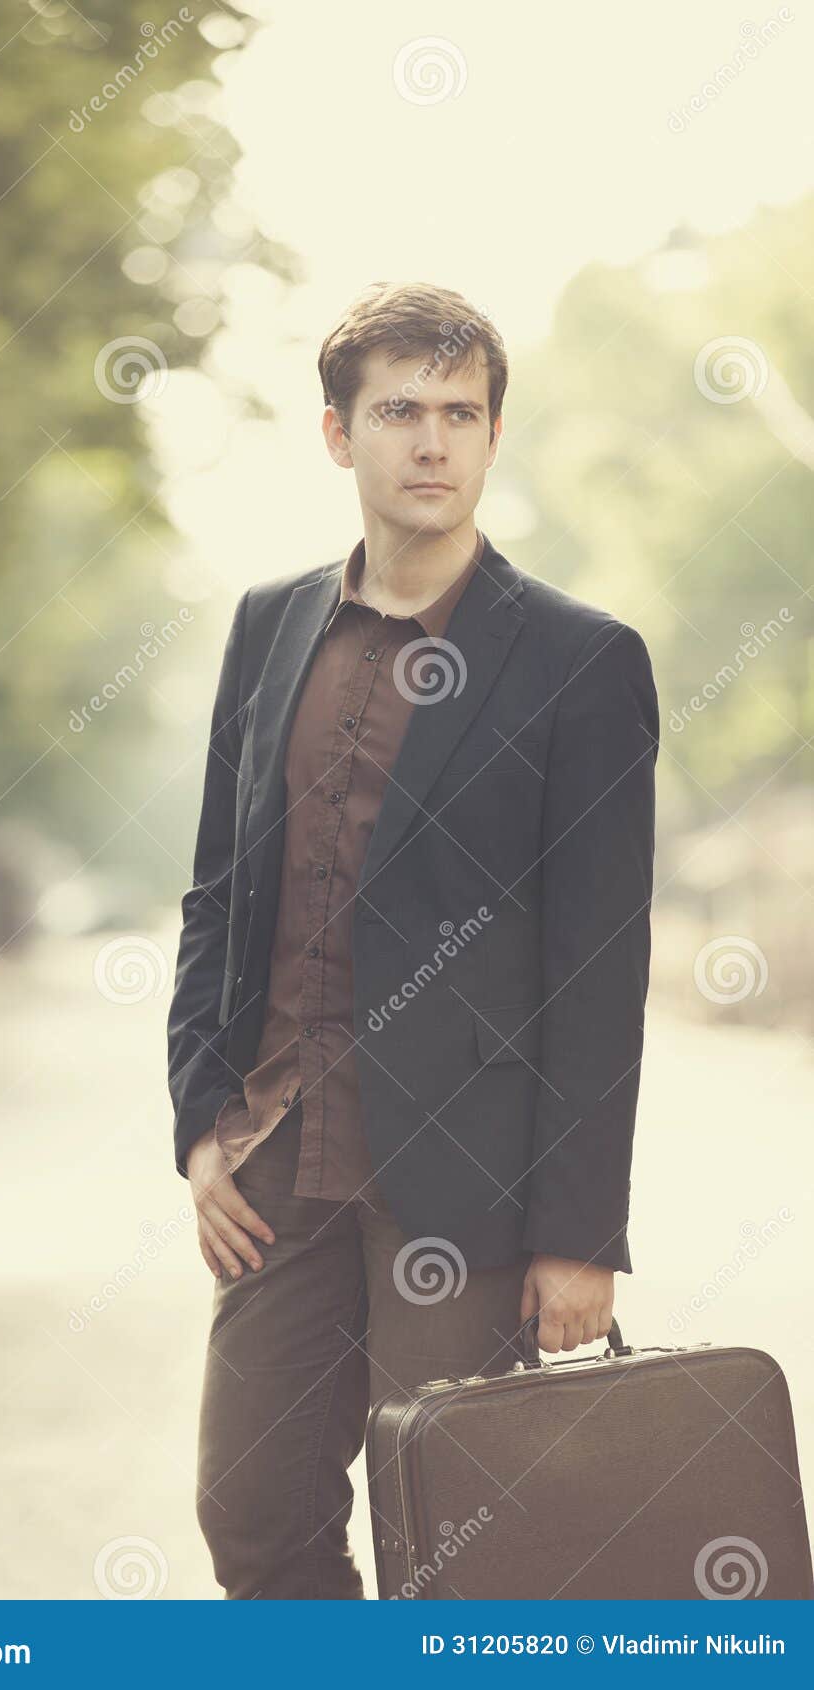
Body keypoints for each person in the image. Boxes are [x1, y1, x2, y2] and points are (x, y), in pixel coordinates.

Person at [166, 281, 659, 1599]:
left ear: (495, 436)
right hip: (277, 1163)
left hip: (469, 1185)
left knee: (453, 1543)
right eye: (399, 411)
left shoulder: (580, 659)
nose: (431, 441)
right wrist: (203, 1121)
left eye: (460, 412)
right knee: (252, 1515)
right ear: (340, 435)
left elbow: (599, 969)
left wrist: (578, 1234)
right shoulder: (270, 627)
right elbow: (218, 891)